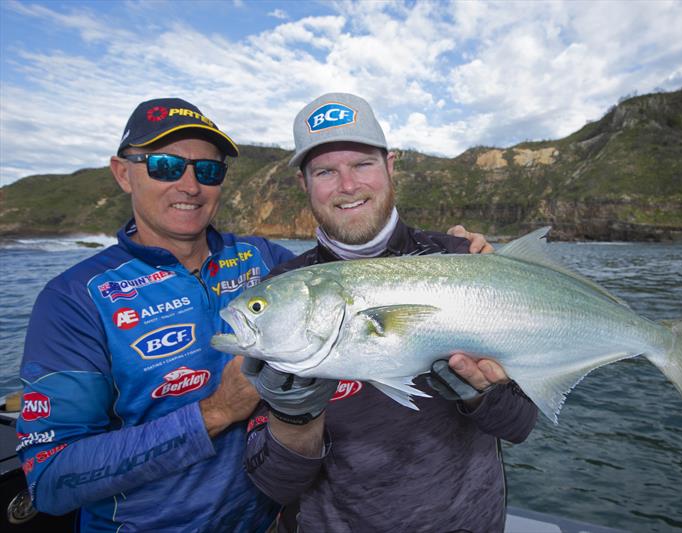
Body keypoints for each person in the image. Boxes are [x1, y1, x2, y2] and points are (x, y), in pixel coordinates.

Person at [15, 97, 489, 532]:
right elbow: (51, 478)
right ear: (122, 173)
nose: (189, 185)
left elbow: (348, 279)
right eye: (164, 166)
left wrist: (456, 268)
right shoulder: (75, 300)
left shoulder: (263, 260)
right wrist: (214, 413)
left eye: (208, 170)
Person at [244, 93, 538, 532]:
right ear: (305, 184)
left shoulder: (463, 258)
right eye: (325, 171)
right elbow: (274, 484)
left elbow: (518, 425)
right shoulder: (284, 293)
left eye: (362, 163)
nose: (347, 185)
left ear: (390, 166)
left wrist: (480, 393)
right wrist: (294, 416)